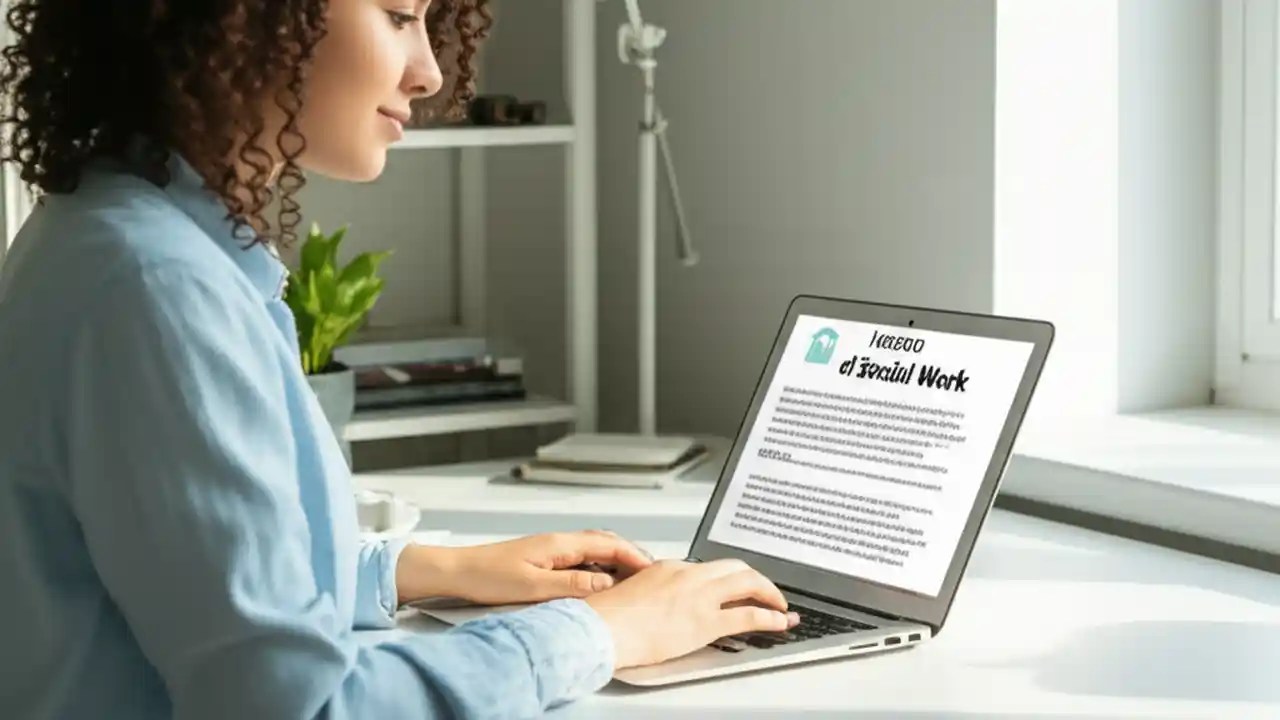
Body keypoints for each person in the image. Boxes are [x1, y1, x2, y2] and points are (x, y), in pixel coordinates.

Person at [0, 1, 799, 717]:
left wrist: (426, 570)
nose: (430, 72)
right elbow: (303, 708)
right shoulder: (160, 287)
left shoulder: (111, 235)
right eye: (396, 15)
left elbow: (182, 583)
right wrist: (601, 631)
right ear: (248, 18)